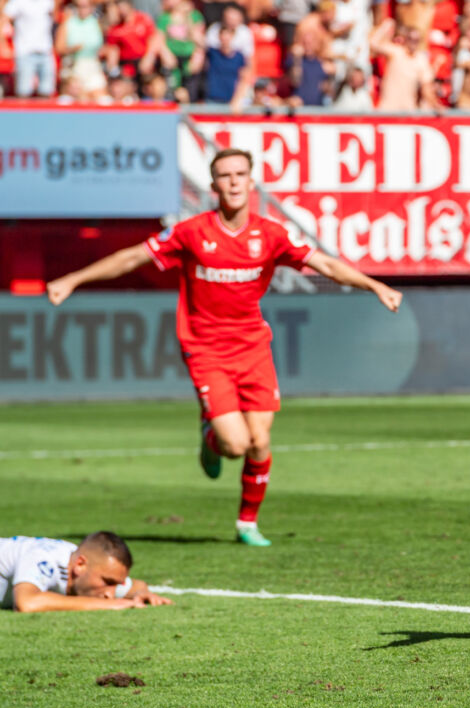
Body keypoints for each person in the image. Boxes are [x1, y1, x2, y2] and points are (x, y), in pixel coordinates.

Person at [46, 149, 404, 547]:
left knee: (260, 441)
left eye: (240, 174)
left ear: (251, 183)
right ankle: (211, 438)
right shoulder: (191, 232)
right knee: (235, 445)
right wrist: (73, 280)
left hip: (253, 346)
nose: (234, 182)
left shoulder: (271, 235)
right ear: (214, 185)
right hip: (206, 349)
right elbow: (133, 257)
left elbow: (327, 265)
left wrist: (375, 286)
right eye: (225, 176)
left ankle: (246, 524)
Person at [2, 532, 172, 612]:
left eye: (115, 584)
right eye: (107, 582)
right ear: (80, 564)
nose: (110, 594)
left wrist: (143, 593)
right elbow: (27, 603)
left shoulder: (94, 569)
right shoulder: (43, 558)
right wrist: (110, 605)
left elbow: (136, 585)